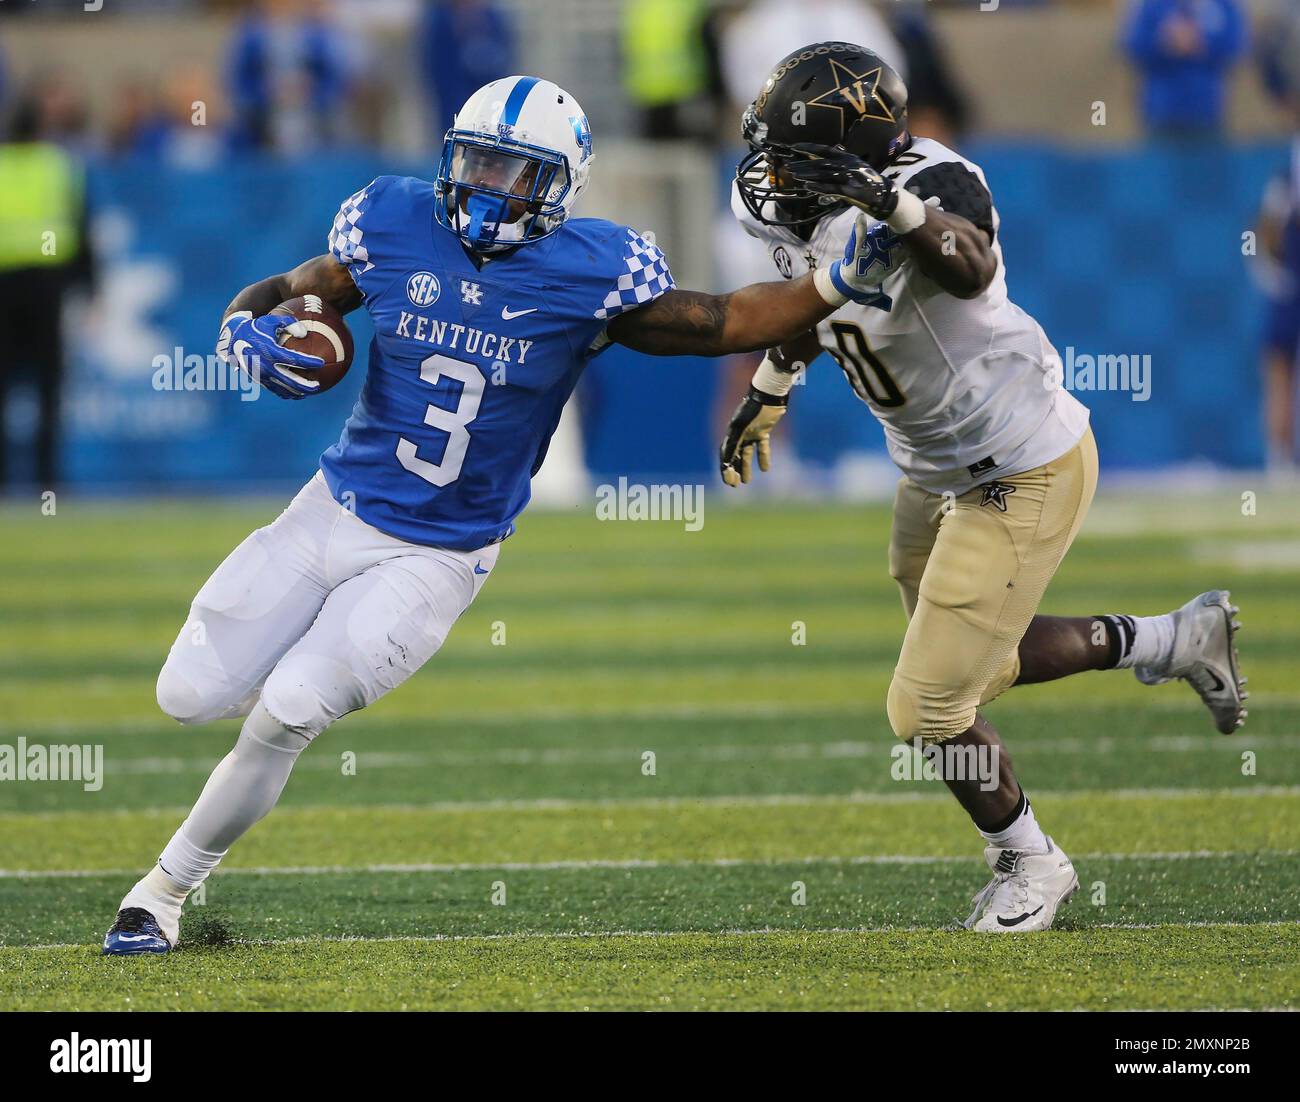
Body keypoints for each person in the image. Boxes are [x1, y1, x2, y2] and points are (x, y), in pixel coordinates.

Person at [101, 74, 891, 954]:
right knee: (184, 695)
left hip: (437, 554)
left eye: (515, 173)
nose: (487, 186)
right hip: (329, 509)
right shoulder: (394, 221)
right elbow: (297, 286)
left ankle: (161, 895)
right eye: (475, 161)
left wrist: (836, 281)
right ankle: (295, 654)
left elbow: (725, 318)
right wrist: (240, 323)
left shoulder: (594, 270)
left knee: (286, 711)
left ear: (559, 186)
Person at [720, 42, 1247, 932]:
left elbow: (963, 259)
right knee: (966, 665)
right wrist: (772, 385)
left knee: (927, 705)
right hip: (932, 471)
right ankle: (1175, 638)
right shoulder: (796, 208)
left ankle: (1032, 864)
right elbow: (819, 296)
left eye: (799, 158)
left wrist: (888, 202)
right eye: (770, 152)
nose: (775, 177)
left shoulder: (936, 183)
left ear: (863, 154)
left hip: (1019, 466)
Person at [1121, 0, 1246, 139]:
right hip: (1161, 113)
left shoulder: (1222, 5)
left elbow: (1236, 46)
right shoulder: (1152, 5)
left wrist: (1201, 42)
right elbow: (1133, 45)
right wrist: (1165, 42)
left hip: (1209, 112)